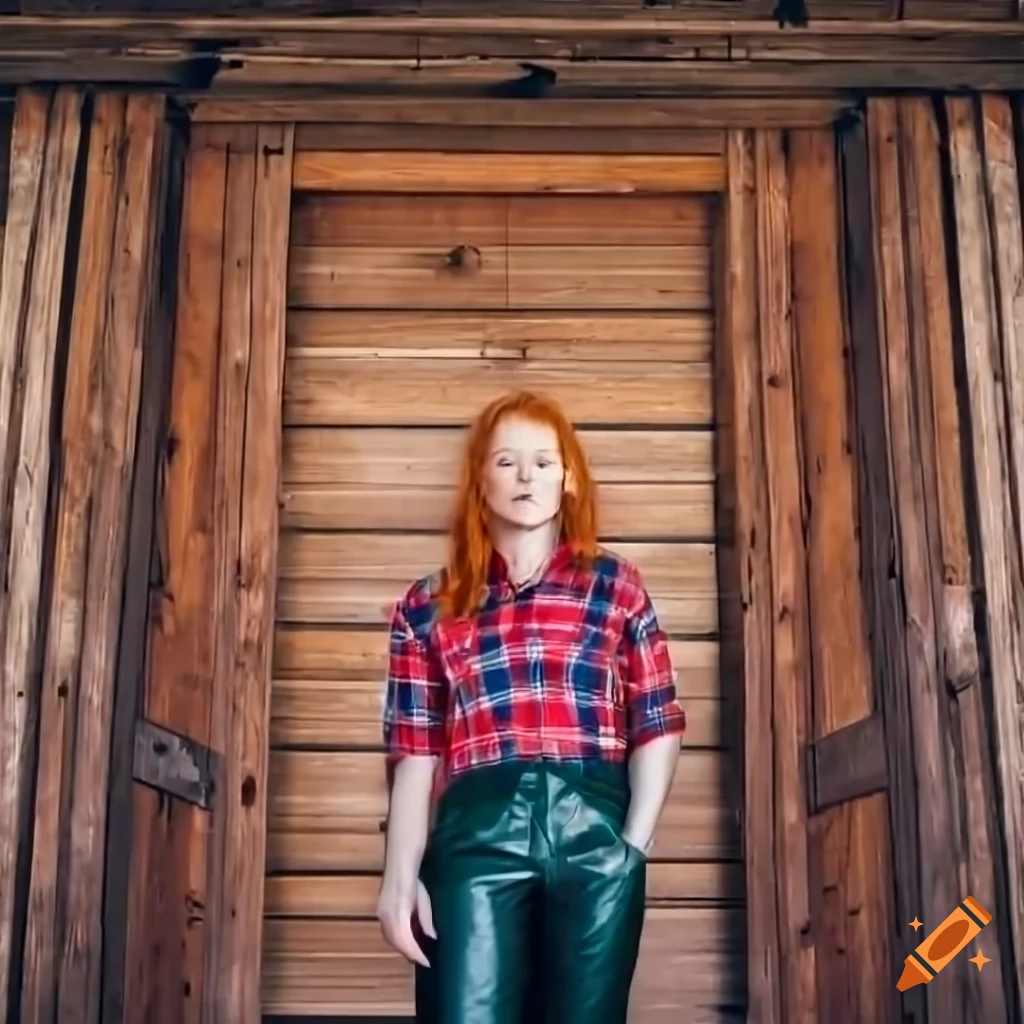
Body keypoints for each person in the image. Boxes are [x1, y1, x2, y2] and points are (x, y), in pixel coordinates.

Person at [376, 390, 686, 1024]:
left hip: (596, 830)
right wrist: (397, 878)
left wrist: (633, 848)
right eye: (508, 461)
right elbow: (414, 755)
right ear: (480, 479)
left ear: (567, 479)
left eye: (545, 462)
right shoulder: (426, 606)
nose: (526, 478)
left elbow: (655, 720)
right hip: (474, 838)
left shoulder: (614, 584)